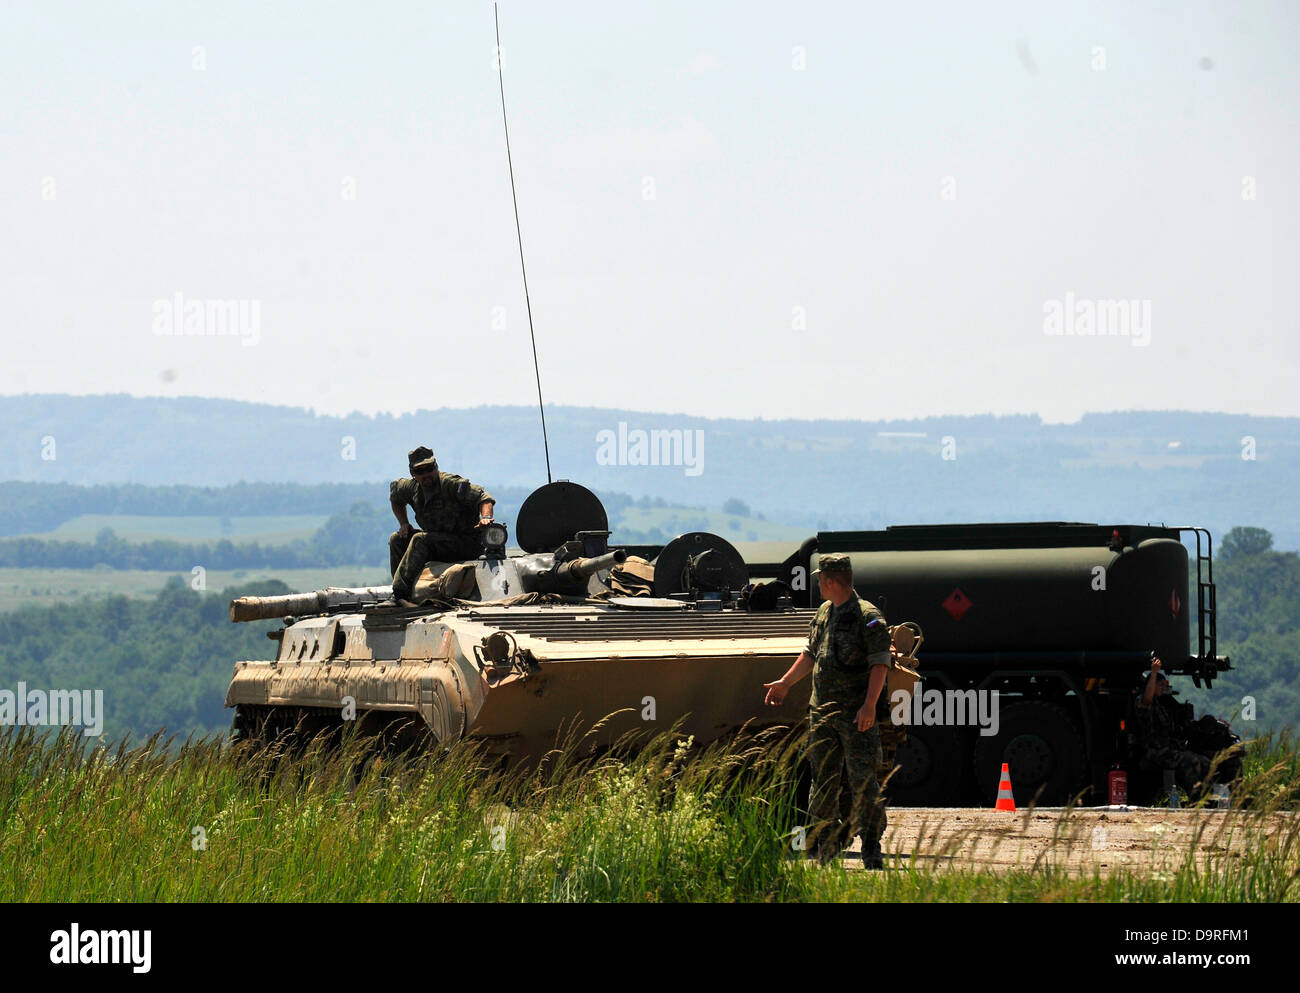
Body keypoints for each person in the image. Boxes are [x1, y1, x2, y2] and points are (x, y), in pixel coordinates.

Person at [763, 553, 892, 868]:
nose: (818, 583)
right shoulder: (823, 612)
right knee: (822, 782)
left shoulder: (868, 616)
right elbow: (810, 654)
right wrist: (785, 682)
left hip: (855, 715)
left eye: (821, 578)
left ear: (832, 581)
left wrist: (869, 706)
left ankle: (871, 847)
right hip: (821, 714)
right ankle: (827, 846)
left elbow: (880, 663)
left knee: (863, 781)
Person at [387, 446, 496, 602]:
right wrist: (404, 523)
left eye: (429, 468)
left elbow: (484, 497)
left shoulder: (451, 484)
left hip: (465, 544)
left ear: (436, 466)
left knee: (420, 540)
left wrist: (485, 517)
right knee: (397, 539)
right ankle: (405, 593)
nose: (426, 475)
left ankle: (399, 594)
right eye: (420, 471)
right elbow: (395, 499)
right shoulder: (410, 488)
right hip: (437, 543)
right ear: (412, 473)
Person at [1134, 656, 1237, 801]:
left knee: (1205, 762)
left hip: (1169, 748)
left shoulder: (1162, 704)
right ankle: (1196, 798)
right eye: (1160, 685)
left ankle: (1209, 798)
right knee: (1191, 761)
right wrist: (1154, 673)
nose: (1163, 688)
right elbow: (1147, 699)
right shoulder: (1144, 702)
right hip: (1155, 750)